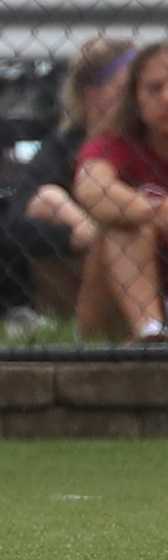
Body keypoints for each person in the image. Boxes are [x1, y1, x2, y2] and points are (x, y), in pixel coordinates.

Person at [4, 38, 132, 336]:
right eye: (124, 90)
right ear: (94, 95)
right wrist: (83, 234)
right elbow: (16, 224)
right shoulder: (64, 147)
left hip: (142, 258)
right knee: (48, 200)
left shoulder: (148, 143)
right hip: (83, 273)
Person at [74, 41, 168, 342]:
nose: (166, 97)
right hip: (115, 307)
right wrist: (152, 211)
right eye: (154, 89)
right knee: (123, 225)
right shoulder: (115, 144)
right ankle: (151, 334)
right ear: (136, 98)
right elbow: (92, 189)